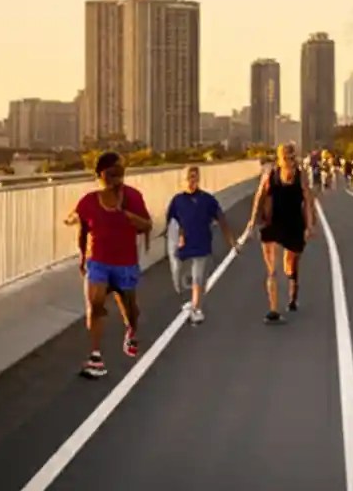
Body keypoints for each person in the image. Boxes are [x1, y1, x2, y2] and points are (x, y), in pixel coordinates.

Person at [64, 152, 152, 379]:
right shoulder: (88, 201)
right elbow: (82, 230)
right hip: (99, 262)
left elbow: (147, 224)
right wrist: (83, 258)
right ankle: (95, 356)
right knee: (95, 305)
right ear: (100, 175)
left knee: (130, 309)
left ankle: (131, 330)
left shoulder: (133, 196)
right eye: (112, 173)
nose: (117, 178)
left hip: (125, 263)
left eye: (120, 173)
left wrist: (131, 217)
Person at [244, 142, 314, 322]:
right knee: (272, 270)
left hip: (294, 224)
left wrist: (310, 225)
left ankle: (293, 292)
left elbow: (308, 201)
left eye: (292, 157)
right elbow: (259, 196)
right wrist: (252, 220)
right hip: (272, 223)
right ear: (279, 159)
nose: (289, 160)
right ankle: (273, 310)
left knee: (290, 264)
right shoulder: (270, 175)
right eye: (286, 157)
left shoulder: (301, 176)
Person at [161, 165, 238, 324]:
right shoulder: (177, 200)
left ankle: (197, 309)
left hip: (202, 244)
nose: (192, 181)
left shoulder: (207, 199)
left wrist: (232, 242)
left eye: (194, 177)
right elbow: (171, 223)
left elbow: (221, 219)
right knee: (178, 277)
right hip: (183, 247)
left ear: (198, 179)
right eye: (189, 178)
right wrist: (174, 238)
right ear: (183, 180)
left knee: (198, 278)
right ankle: (190, 301)